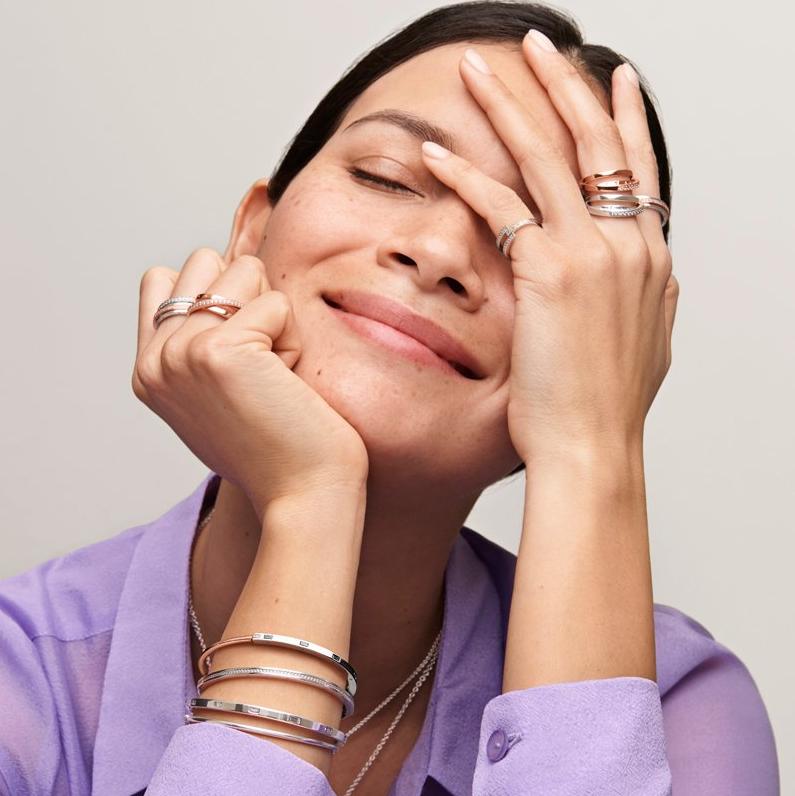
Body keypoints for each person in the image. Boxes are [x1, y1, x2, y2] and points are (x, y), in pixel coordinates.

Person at [0, 2, 780, 794]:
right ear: (251, 235)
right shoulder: (21, 680)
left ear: (602, 351)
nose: (439, 251)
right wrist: (311, 507)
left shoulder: (682, 707)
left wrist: (591, 447)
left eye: (529, 235)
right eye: (386, 176)